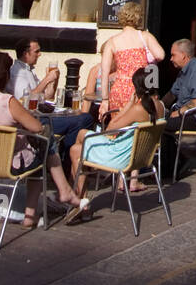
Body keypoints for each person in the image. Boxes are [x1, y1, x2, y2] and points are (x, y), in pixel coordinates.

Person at [0, 52, 90, 227]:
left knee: (40, 145)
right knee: (45, 140)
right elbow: (36, 127)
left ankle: (63, 193)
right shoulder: (7, 101)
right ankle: (41, 208)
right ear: (5, 76)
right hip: (7, 164)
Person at [69, 67, 164, 213]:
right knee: (81, 134)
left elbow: (109, 130)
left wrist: (128, 106)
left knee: (75, 150)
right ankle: (80, 194)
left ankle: (81, 201)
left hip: (121, 157)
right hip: (141, 157)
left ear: (137, 87)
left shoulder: (139, 109)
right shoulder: (160, 107)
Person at [7, 37, 92, 163]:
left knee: (82, 117)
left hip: (41, 114)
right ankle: (66, 161)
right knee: (83, 120)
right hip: (32, 120)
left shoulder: (29, 70)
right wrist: (46, 79)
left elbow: (47, 96)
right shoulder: (17, 72)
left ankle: (66, 158)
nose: (39, 54)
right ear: (26, 54)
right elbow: (25, 99)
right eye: (36, 51)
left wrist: (53, 80)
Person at [159, 38, 196, 179]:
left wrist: (179, 112)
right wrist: (158, 107)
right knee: (159, 122)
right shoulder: (183, 71)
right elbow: (172, 94)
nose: (171, 59)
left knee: (161, 125)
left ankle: (178, 162)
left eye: (173, 55)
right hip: (189, 114)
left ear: (184, 56)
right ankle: (171, 165)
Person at [99, 4, 164, 119]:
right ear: (138, 17)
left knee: (118, 124)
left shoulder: (112, 42)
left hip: (119, 89)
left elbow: (104, 73)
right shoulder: (145, 36)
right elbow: (160, 55)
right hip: (140, 88)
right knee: (139, 125)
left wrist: (105, 100)